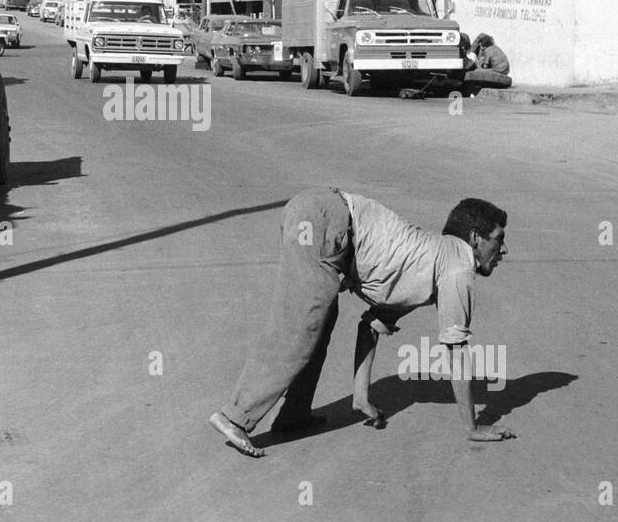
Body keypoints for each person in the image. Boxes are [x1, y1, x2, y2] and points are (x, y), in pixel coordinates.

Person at [209, 189, 513, 458]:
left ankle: (293, 415)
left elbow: (371, 324)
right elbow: (456, 349)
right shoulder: (458, 267)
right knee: (302, 327)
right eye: (499, 239)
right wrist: (472, 427)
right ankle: (235, 417)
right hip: (326, 224)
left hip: (320, 216)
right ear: (475, 238)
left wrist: (361, 396)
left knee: (321, 319)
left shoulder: (431, 265)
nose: (504, 250)